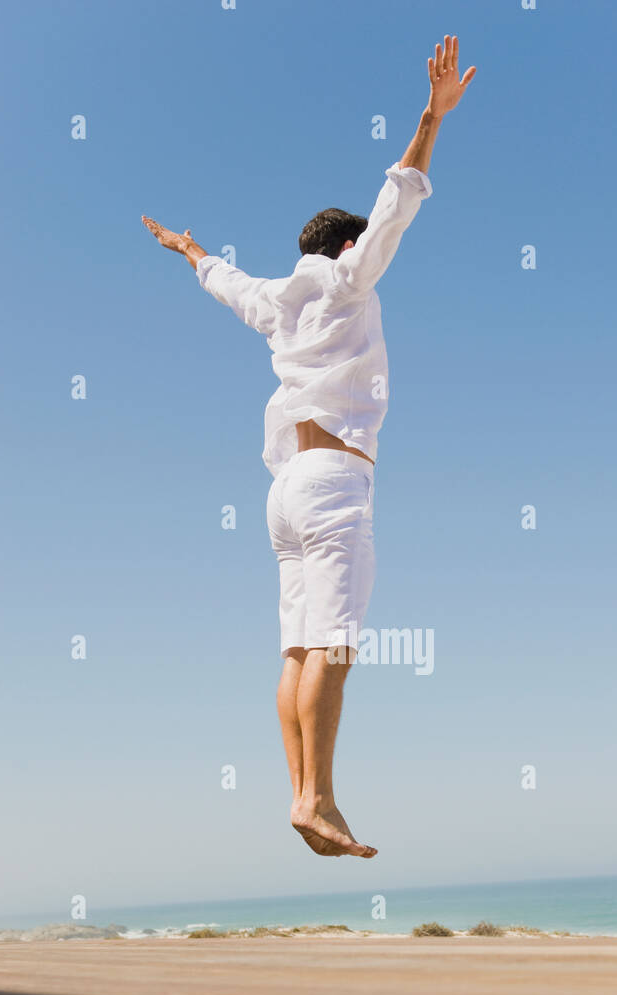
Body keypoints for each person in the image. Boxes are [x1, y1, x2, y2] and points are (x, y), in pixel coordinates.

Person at [143, 35, 475, 859]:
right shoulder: (348, 277)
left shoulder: (276, 299)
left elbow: (223, 278)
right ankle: (316, 797)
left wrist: (186, 250)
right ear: (345, 248)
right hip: (331, 481)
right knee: (334, 645)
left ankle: (302, 794)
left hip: (283, 490)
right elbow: (399, 195)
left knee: (297, 647)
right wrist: (431, 119)